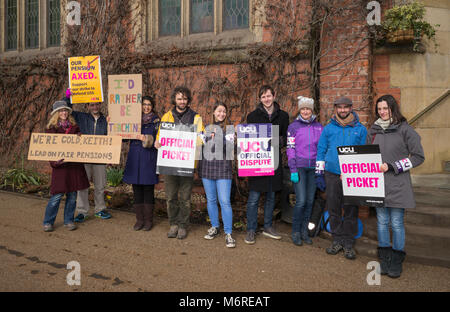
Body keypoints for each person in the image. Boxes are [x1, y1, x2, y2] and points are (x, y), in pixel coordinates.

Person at [368, 94, 424, 278]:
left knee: (397, 223)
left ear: (393, 108)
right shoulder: (373, 131)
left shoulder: (405, 130)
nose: (382, 112)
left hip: (398, 184)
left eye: (386, 108)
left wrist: (392, 166)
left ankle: (397, 259)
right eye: (380, 109)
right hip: (378, 186)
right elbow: (365, 157)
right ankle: (385, 258)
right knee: (382, 222)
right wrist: (352, 173)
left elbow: (417, 157)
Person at [316, 96, 367, 259]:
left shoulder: (361, 129)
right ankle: (337, 239)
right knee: (334, 208)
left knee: (351, 208)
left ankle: (349, 242)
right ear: (336, 109)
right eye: (340, 107)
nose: (343, 110)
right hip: (332, 174)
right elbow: (321, 150)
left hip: (352, 174)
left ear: (351, 108)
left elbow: (365, 153)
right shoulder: (328, 129)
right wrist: (319, 173)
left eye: (346, 107)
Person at [155, 86, 204, 239]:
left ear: (188, 100)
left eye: (184, 98)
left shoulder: (196, 117)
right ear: (174, 100)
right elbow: (159, 137)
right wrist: (157, 142)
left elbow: (201, 138)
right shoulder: (166, 116)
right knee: (170, 197)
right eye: (179, 98)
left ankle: (183, 225)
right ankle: (173, 224)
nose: (182, 101)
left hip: (186, 164)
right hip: (169, 164)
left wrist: (188, 142)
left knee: (185, 198)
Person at [244, 85, 289, 244]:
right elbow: (248, 139)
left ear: (274, 96)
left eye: (269, 96)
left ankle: (268, 227)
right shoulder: (252, 116)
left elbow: (286, 138)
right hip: (258, 161)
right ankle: (251, 228)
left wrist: (278, 140)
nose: (266, 99)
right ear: (260, 99)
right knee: (254, 198)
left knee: (271, 196)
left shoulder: (283, 116)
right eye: (263, 97)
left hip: (275, 161)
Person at [63, 89, 111, 222]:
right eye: (92, 105)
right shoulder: (81, 117)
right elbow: (65, 109)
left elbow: (116, 138)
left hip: (100, 157)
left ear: (100, 105)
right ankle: (82, 212)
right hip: (84, 157)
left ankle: (100, 209)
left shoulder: (106, 120)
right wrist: (68, 97)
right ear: (87, 106)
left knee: (100, 186)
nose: (95, 107)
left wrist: (112, 124)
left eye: (97, 104)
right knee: (82, 186)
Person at [43, 101, 90, 232]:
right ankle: (48, 221)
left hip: (74, 167)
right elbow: (48, 149)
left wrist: (81, 139)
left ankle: (68, 220)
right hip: (61, 168)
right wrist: (55, 162)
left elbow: (81, 146)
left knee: (72, 195)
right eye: (60, 111)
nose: (63, 113)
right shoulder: (51, 129)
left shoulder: (75, 127)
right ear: (56, 114)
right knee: (56, 196)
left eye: (65, 111)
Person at [286, 96, 323, 246]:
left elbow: (322, 149)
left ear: (311, 110)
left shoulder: (319, 127)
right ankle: (295, 231)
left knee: (309, 201)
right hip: (299, 168)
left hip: (313, 168)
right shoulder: (293, 127)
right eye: (303, 108)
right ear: (300, 110)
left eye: (308, 108)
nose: (306, 111)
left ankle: (304, 231)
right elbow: (290, 149)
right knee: (300, 201)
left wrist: (320, 170)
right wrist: (293, 169)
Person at [200, 103, 236, 248]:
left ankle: (228, 233)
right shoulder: (205, 128)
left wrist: (229, 139)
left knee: (225, 201)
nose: (221, 114)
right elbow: (200, 147)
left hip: (223, 169)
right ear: (214, 112)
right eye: (219, 111)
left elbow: (230, 150)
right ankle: (214, 227)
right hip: (207, 168)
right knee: (211, 200)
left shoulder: (230, 129)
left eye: (224, 111)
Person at [122, 96, 160, 231]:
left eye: (149, 104)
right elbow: (122, 137)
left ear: (152, 106)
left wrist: (146, 139)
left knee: (148, 190)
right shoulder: (133, 120)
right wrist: (112, 124)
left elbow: (159, 140)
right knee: (136, 189)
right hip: (134, 157)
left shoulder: (157, 121)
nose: (146, 107)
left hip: (148, 158)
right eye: (144, 104)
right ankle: (139, 220)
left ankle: (148, 220)